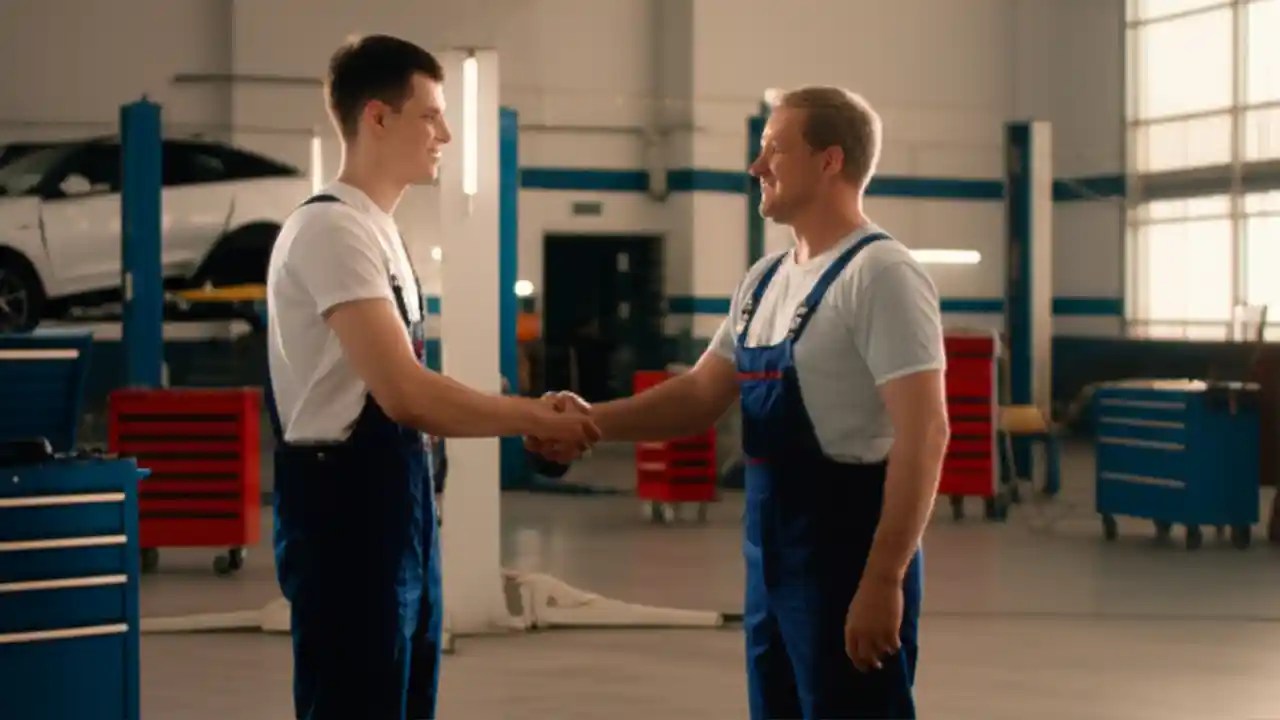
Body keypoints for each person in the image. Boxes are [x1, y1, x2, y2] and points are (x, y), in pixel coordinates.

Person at [529, 86, 949, 719]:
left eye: (774, 150)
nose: (757, 167)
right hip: (772, 561)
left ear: (830, 161)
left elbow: (926, 434)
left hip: (847, 558)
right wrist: (588, 421)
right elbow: (699, 395)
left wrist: (884, 578)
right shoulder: (764, 280)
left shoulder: (881, 275)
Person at [264, 34, 599, 720]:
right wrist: (534, 418)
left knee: (404, 697)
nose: (445, 133)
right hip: (346, 516)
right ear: (377, 118)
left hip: (400, 507)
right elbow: (406, 392)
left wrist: (525, 412)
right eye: (430, 114)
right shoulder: (331, 231)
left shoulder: (380, 230)